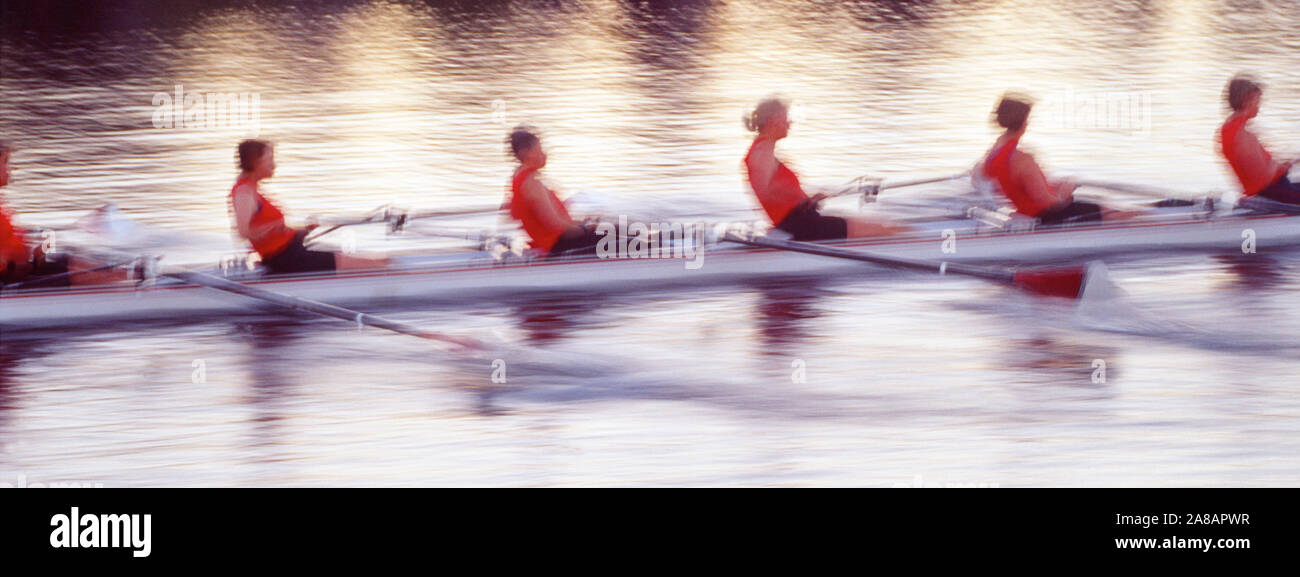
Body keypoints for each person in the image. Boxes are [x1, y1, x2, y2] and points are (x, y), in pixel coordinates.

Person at [743, 98, 907, 241]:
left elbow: (777, 193)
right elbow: (765, 193)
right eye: (786, 119)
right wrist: (800, 200)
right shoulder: (761, 154)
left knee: (883, 226)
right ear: (773, 120)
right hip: (802, 226)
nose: (789, 123)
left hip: (802, 220)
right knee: (882, 230)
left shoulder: (764, 150)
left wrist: (807, 200)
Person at [230, 140, 386, 274]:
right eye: (269, 159)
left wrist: (303, 230)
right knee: (374, 265)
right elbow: (244, 232)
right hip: (287, 257)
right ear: (255, 162)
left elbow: (269, 230)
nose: (274, 165)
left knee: (378, 259)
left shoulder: (251, 188)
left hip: (292, 248)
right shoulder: (244, 192)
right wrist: (276, 225)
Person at [0, 141, 125, 288]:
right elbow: (9, 263)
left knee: (67, 260)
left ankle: (131, 277)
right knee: (69, 265)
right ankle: (134, 282)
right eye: (5, 161)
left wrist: (38, 252)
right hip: (10, 282)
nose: (12, 168)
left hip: (20, 273)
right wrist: (30, 259)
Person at [980, 95, 1116, 225]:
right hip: (1044, 216)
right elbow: (1050, 204)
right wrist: (1065, 192)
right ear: (1024, 123)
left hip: (1025, 211)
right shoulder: (1023, 160)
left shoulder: (995, 151)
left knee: (1099, 206)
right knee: (1108, 211)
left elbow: (1006, 183)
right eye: (1027, 119)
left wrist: (1053, 186)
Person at [505, 128, 603, 255]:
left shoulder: (517, 176)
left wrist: (581, 225)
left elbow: (515, 214)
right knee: (628, 239)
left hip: (557, 241)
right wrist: (585, 230)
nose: (544, 154)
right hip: (559, 246)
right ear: (526, 153)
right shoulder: (531, 185)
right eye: (539, 150)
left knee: (611, 229)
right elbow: (557, 226)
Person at [1219, 75, 1298, 204]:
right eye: (1257, 101)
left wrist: (1286, 163)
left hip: (1274, 187)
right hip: (1275, 191)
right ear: (1246, 101)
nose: (1259, 106)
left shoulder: (1229, 127)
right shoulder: (1242, 135)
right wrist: (1286, 164)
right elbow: (1263, 179)